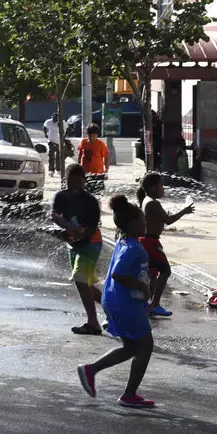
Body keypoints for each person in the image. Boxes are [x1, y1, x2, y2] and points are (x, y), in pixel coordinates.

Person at [77, 194, 155, 409]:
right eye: (143, 220)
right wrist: (144, 287)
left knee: (131, 347)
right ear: (133, 223)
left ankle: (90, 370)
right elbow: (119, 274)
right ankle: (129, 394)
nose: (146, 223)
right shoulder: (133, 248)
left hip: (117, 300)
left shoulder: (125, 241)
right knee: (146, 345)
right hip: (123, 302)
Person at [51, 164, 104, 335]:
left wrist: (79, 233)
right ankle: (115, 307)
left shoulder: (90, 201)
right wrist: (66, 227)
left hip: (91, 243)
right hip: (73, 245)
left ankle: (93, 323)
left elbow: (92, 227)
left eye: (77, 183)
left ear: (84, 182)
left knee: (80, 279)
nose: (74, 187)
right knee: (85, 284)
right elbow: (53, 215)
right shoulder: (60, 197)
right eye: (70, 183)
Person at [137, 172, 194, 317]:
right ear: (152, 187)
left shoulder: (147, 200)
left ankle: (146, 304)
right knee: (165, 271)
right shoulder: (153, 202)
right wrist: (184, 211)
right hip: (151, 242)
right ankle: (155, 304)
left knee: (152, 274)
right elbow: (168, 220)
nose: (163, 188)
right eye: (160, 185)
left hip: (146, 241)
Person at [43, 112, 64, 177]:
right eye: (54, 118)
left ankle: (58, 169)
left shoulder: (61, 122)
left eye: (56, 118)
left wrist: (64, 137)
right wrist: (45, 134)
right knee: (51, 155)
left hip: (59, 142)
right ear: (52, 117)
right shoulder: (49, 122)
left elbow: (67, 127)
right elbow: (44, 127)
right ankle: (51, 170)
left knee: (58, 156)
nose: (55, 120)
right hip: (51, 141)